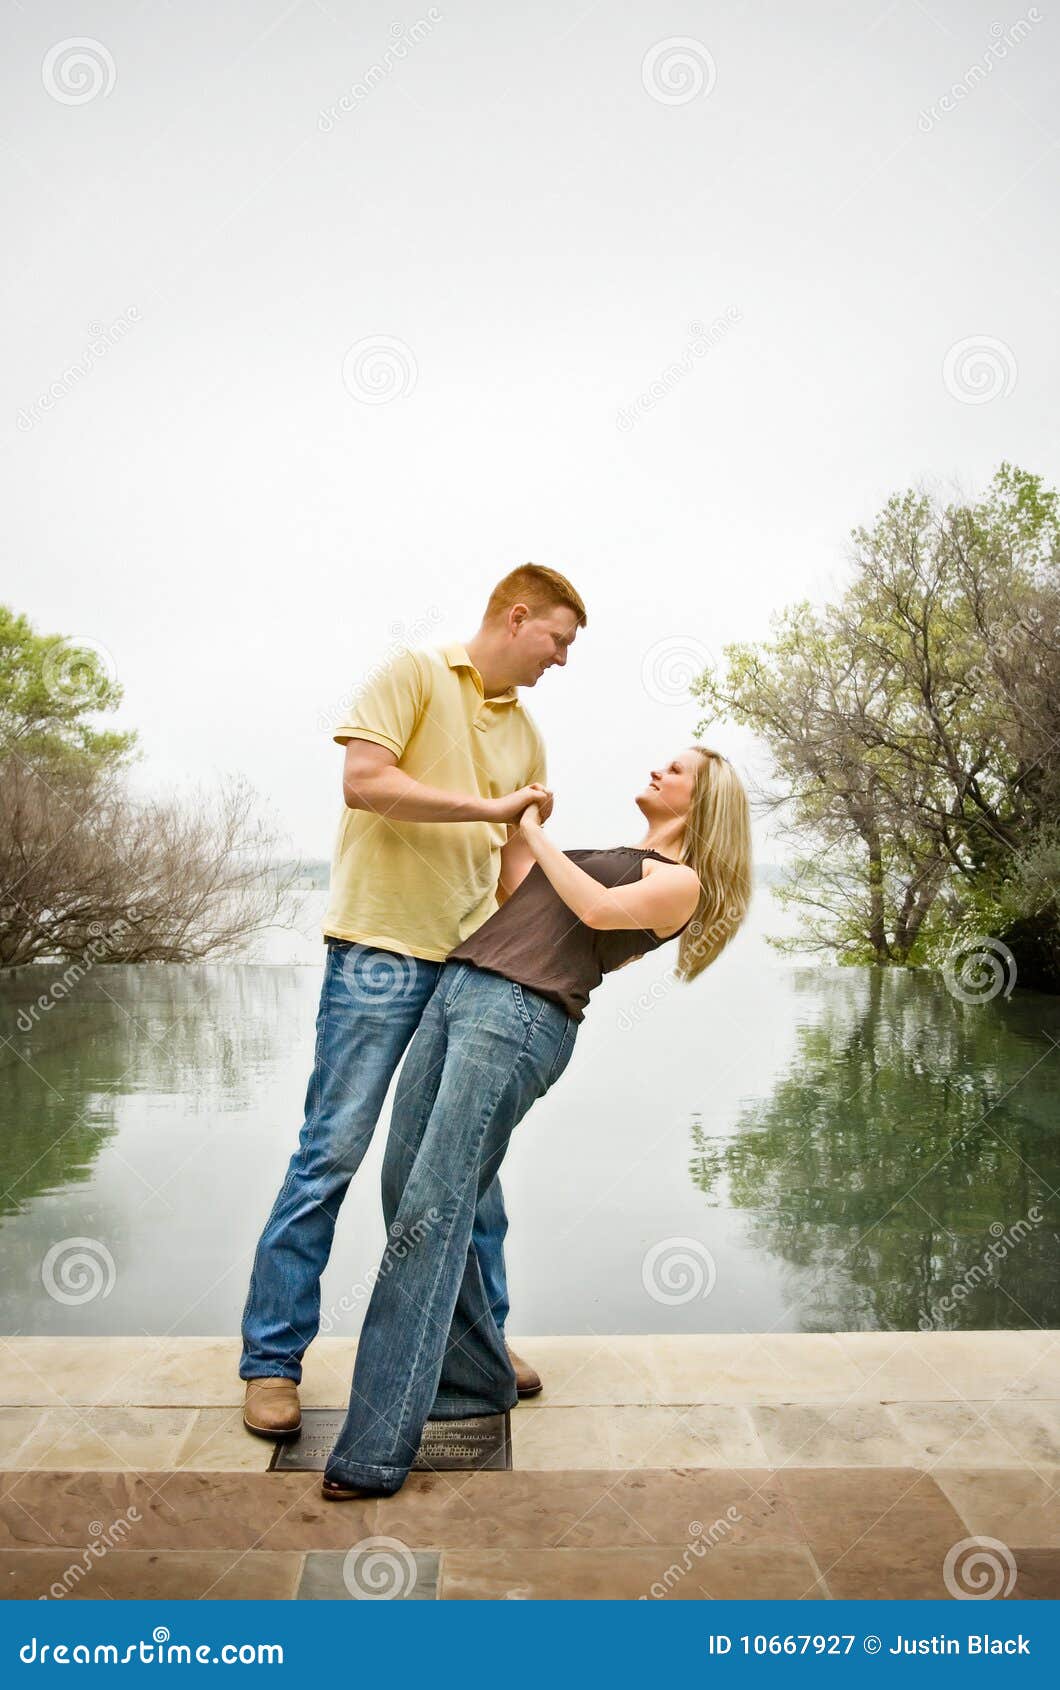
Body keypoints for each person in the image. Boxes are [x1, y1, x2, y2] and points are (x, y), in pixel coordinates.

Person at [319, 744, 753, 1498]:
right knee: (403, 1190)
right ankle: (479, 1376)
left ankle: (375, 1447)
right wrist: (521, 823)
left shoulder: (679, 883)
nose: (656, 768)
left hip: (521, 1017)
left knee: (432, 1209)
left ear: (705, 799)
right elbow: (519, 890)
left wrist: (537, 834)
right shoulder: (601, 853)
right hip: (461, 989)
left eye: (676, 769)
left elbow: (593, 911)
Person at [239, 565, 588, 1438]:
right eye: (559, 640)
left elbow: (511, 859)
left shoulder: (529, 735)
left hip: (473, 965)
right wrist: (487, 806)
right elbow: (365, 780)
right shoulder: (412, 674)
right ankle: (273, 1362)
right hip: (380, 955)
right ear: (518, 617)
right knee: (332, 1152)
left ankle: (480, 1343)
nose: (563, 660)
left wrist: (546, 947)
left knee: (473, 1167)